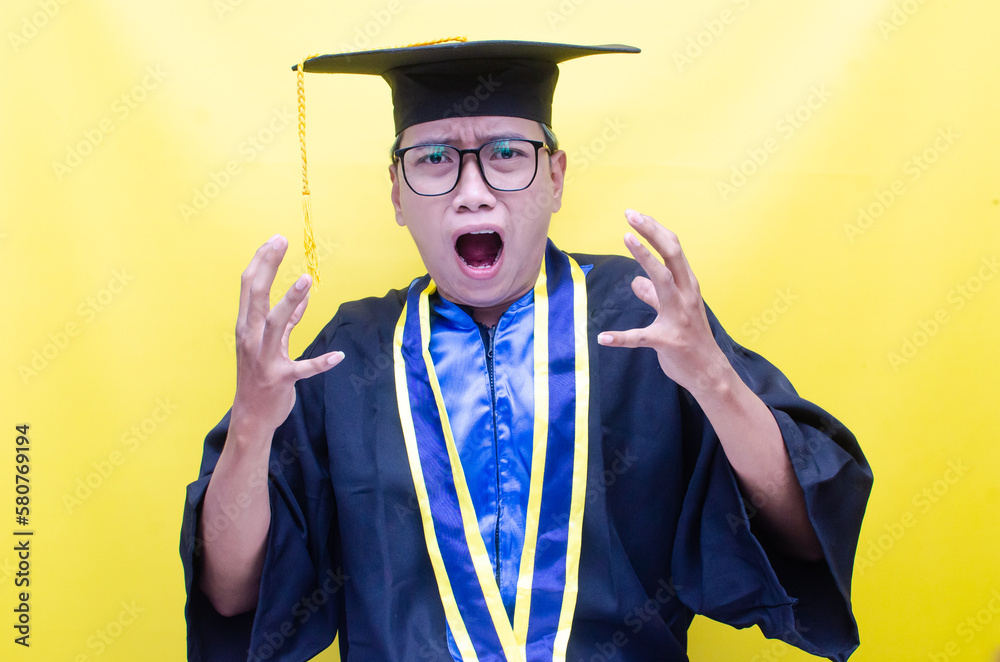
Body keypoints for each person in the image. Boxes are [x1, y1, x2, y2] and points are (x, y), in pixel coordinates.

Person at [180, 39, 872, 662]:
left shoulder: (647, 324)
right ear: (396, 192)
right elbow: (235, 596)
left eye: (507, 154)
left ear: (557, 176)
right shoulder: (348, 359)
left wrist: (717, 385)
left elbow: (803, 541)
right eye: (434, 159)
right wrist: (251, 428)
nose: (472, 192)